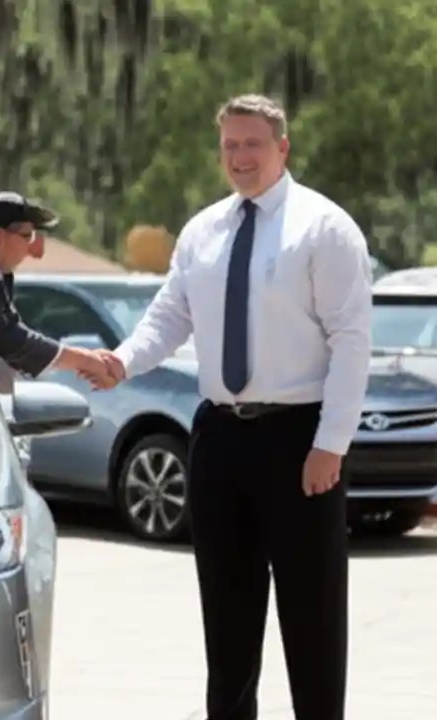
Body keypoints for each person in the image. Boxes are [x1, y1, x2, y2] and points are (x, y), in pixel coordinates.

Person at [94, 94, 372, 720]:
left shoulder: (324, 228)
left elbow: (353, 340)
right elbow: (169, 316)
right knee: (227, 615)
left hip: (300, 440)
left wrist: (332, 443)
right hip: (219, 438)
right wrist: (122, 361)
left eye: (252, 144)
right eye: (230, 146)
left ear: (282, 148)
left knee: (312, 616)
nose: (240, 157)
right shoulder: (204, 231)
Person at [0, 191, 112, 393]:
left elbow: (5, 348)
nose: (31, 249)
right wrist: (84, 360)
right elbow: (11, 341)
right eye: (26, 236)